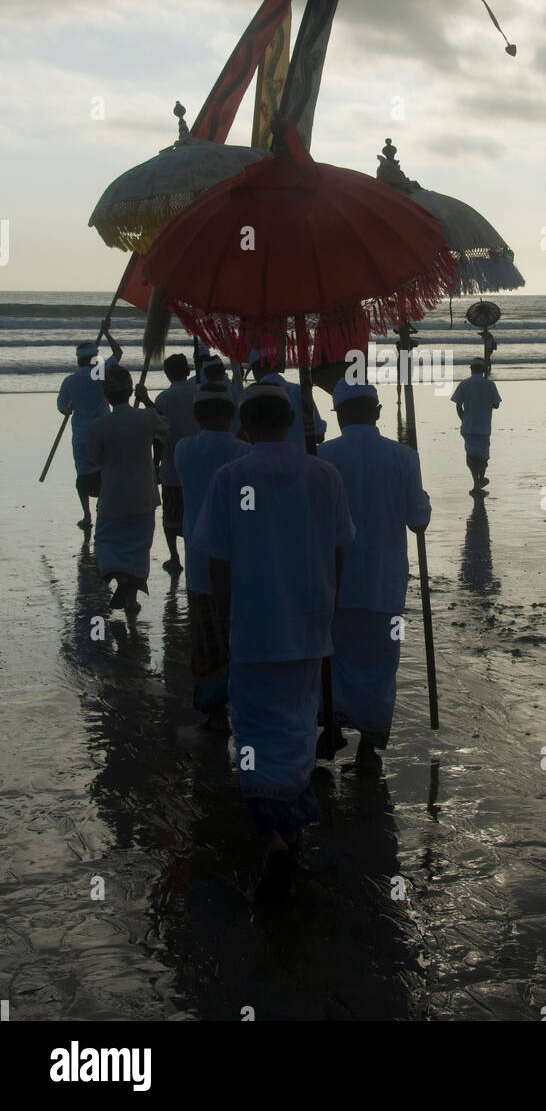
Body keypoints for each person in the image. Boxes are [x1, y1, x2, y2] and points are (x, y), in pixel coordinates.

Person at [193, 383, 354, 893]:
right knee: (298, 721)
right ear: (288, 421)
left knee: (256, 728)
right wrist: (329, 602)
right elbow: (339, 548)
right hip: (308, 621)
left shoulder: (232, 477)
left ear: (246, 425)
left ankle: (274, 835)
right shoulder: (324, 474)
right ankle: (291, 818)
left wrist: (227, 610)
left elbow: (217, 557)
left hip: (256, 621)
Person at [319, 381, 431, 773]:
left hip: (334, 581)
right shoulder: (403, 457)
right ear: (378, 412)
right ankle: (369, 743)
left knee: (333, 659)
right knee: (381, 664)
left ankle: (331, 727)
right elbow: (418, 519)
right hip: (384, 582)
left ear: (339, 414)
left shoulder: (322, 456)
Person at [173, 383, 244, 730]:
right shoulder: (244, 451)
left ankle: (215, 710)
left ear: (197, 416)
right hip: (242, 561)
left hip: (201, 561)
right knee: (240, 633)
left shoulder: (184, 450)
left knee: (206, 638)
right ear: (231, 415)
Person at [86, 366, 169, 615]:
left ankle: (119, 577)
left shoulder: (98, 425)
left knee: (106, 541)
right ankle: (130, 597)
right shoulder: (145, 417)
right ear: (131, 389)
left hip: (113, 493)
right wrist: (146, 401)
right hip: (143, 491)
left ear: (105, 393)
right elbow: (166, 427)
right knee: (138, 545)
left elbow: (94, 459)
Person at [56, 325, 123, 531]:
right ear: (94, 358)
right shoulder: (101, 373)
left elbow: (63, 409)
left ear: (78, 360)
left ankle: (87, 516)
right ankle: (103, 509)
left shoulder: (70, 381)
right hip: (105, 432)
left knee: (83, 476)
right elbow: (118, 353)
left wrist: (70, 407)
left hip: (82, 436)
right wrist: (108, 332)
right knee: (107, 472)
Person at [138, 353, 198, 574]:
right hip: (195, 462)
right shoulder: (198, 393)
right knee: (193, 509)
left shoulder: (164, 398)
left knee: (172, 517)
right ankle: (191, 551)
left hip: (172, 463)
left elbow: (159, 435)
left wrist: (154, 463)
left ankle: (174, 556)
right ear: (188, 372)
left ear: (168, 374)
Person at [247, 350, 327, 449]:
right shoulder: (298, 391)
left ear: (255, 370)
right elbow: (319, 435)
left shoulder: (250, 395)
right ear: (277, 366)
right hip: (301, 459)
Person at [451, 358, 501, 494]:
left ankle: (476, 482)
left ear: (471, 369)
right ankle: (481, 478)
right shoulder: (490, 385)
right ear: (483, 370)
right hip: (484, 426)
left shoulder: (464, 384)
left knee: (471, 454)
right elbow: (496, 404)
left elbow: (458, 405)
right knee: (483, 455)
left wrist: (463, 419)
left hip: (468, 426)